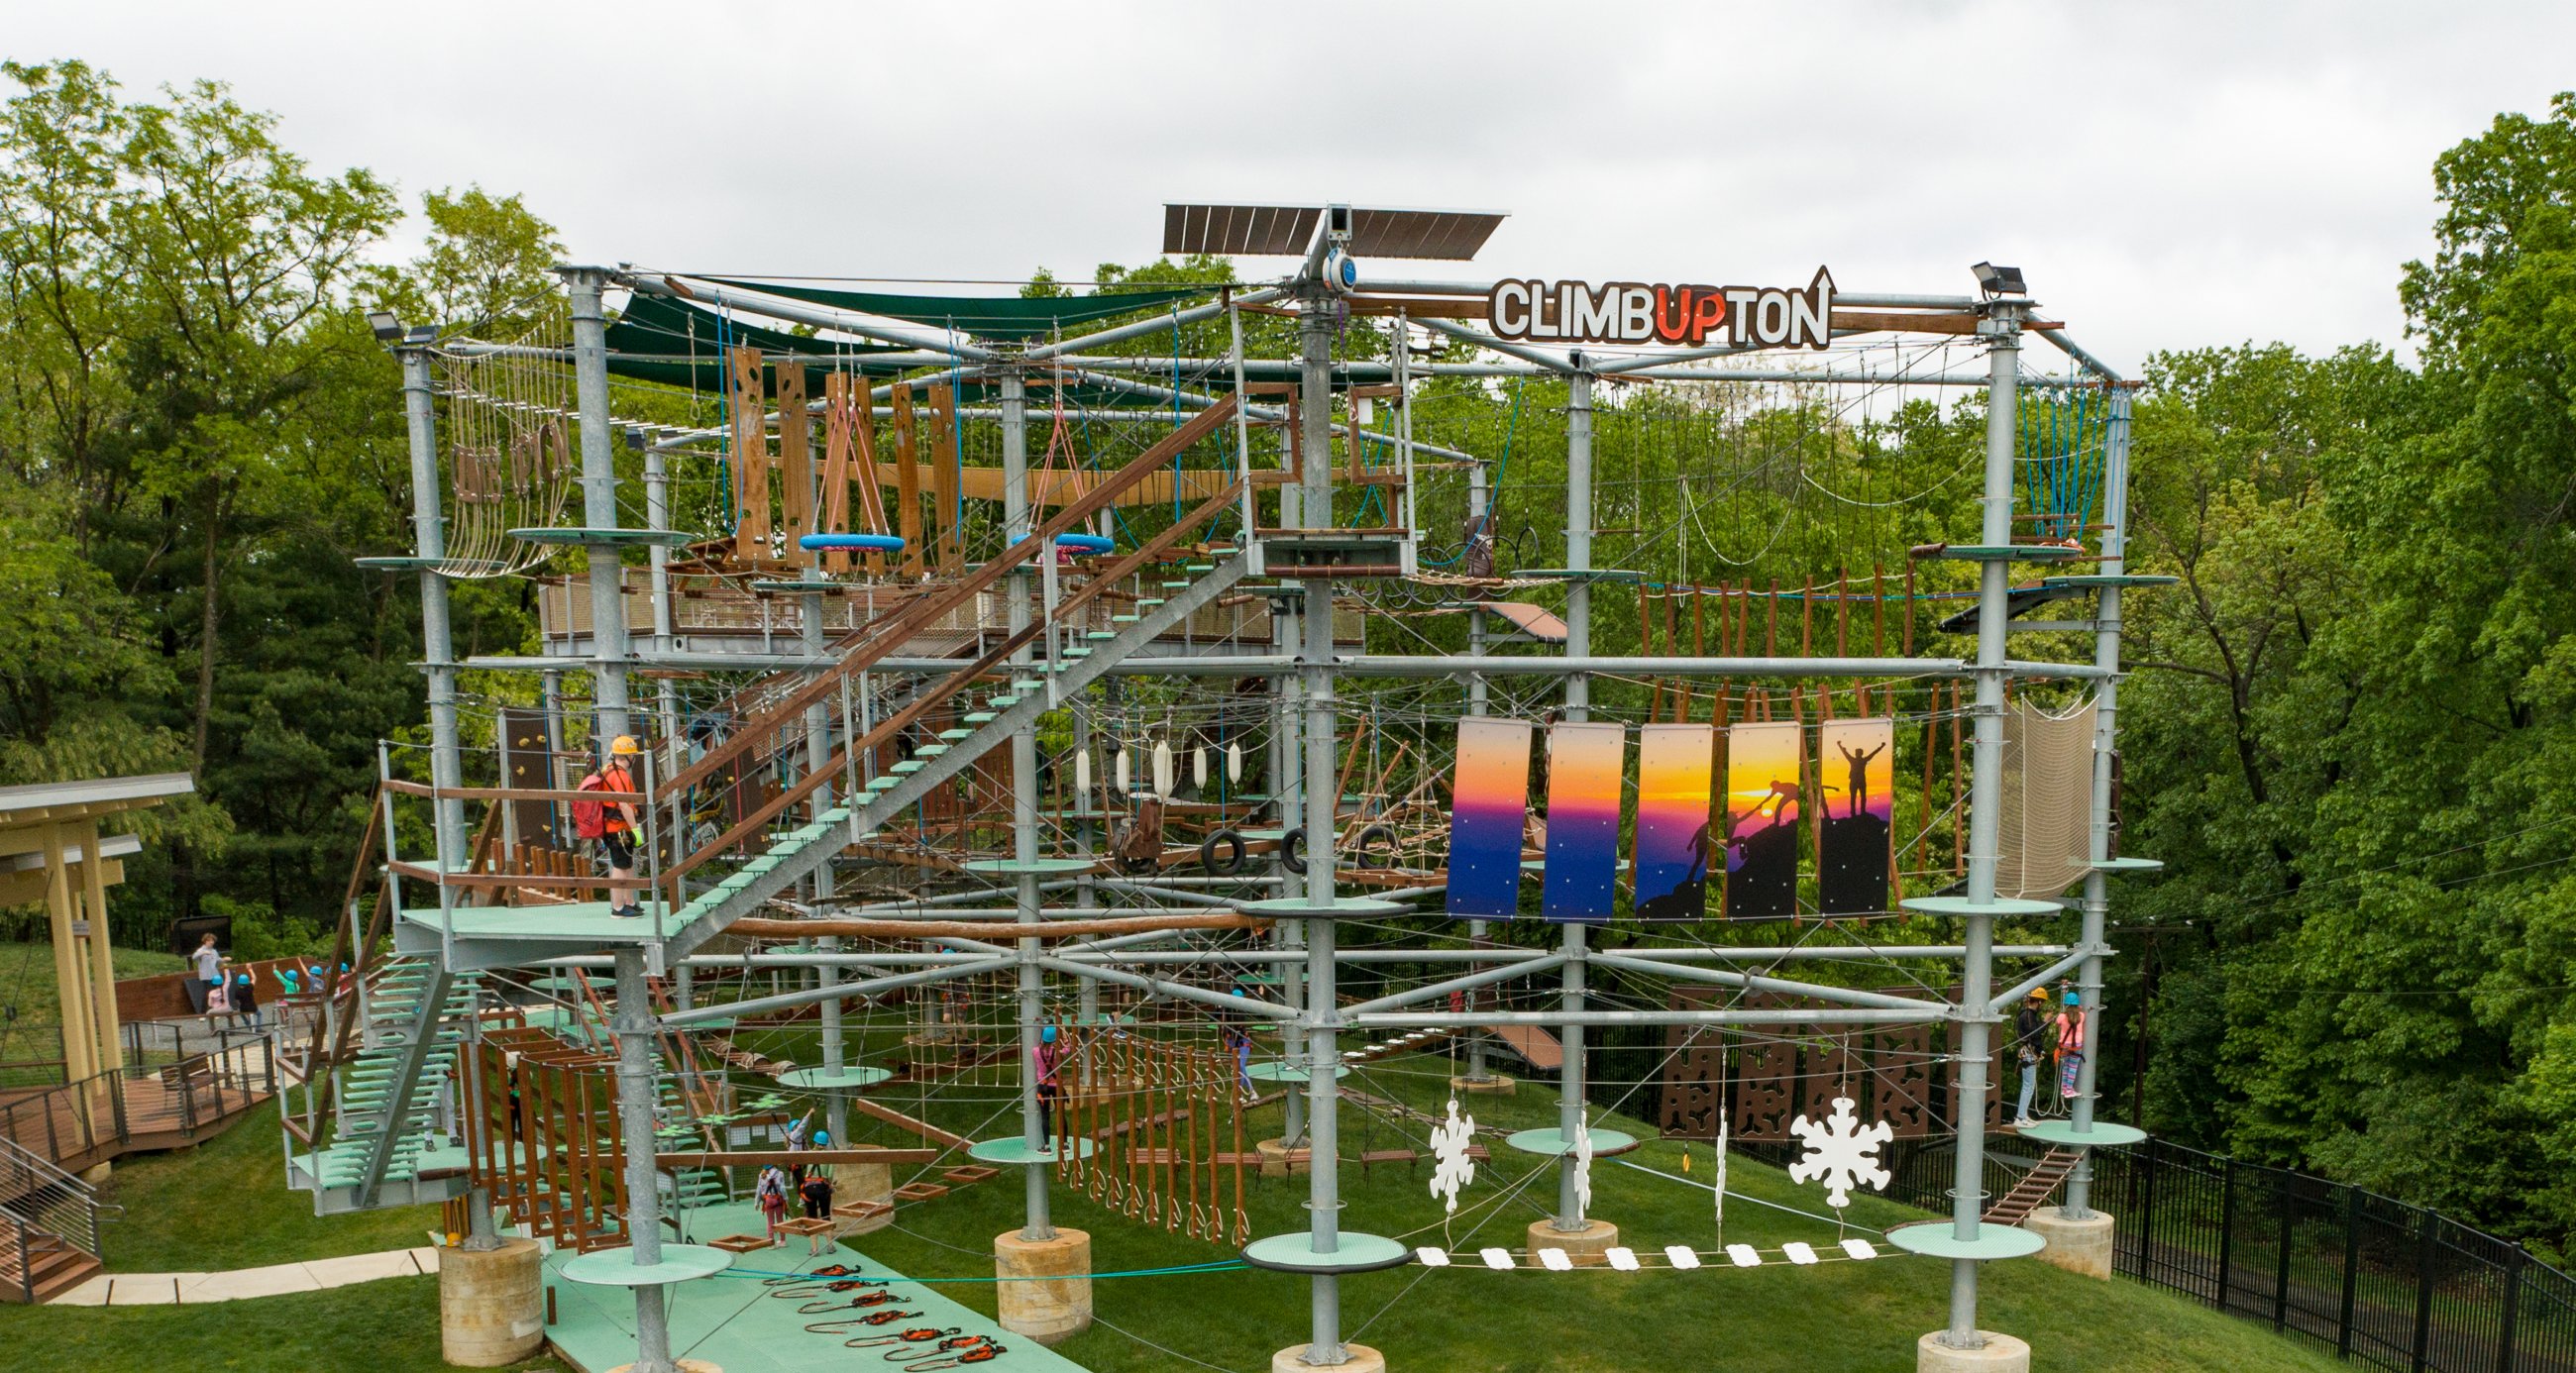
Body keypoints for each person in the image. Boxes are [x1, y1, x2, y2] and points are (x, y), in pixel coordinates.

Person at [580, 736, 645, 918]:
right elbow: (624, 805)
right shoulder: (619, 775)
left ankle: (629, 902)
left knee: (627, 864)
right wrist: (635, 830)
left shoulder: (608, 770)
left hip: (615, 827)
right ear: (629, 756)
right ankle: (618, 907)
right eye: (633, 755)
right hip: (618, 828)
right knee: (620, 867)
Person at [2012, 988, 2050, 1127]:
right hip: (2028, 1053)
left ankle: (2023, 1115)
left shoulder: (2028, 1015)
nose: (2042, 1005)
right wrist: (2046, 1021)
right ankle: (2020, 1118)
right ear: (2038, 1001)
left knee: (2028, 1086)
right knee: (2028, 1086)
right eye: (2042, 1002)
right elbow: (2034, 1034)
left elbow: (2035, 1034)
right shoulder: (2028, 1015)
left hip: (2029, 1053)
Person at [1031, 1024, 1064, 1139]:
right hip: (1056, 1086)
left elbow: (1040, 1047)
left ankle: (1046, 1145)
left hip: (1042, 1086)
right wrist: (1064, 1037)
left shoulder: (1035, 1051)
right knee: (1061, 1115)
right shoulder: (1058, 1052)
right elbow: (1068, 1048)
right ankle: (1064, 1143)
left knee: (1045, 1117)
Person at [799, 1165, 836, 1257]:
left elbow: (807, 1173)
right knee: (826, 1216)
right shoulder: (828, 1159)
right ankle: (830, 1246)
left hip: (809, 1189)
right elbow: (829, 1175)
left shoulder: (810, 1157)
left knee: (812, 1218)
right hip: (822, 1188)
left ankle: (814, 1249)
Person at [187, 932, 223, 1016]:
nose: (211, 942)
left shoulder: (214, 951)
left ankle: (215, 1010)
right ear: (205, 941)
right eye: (209, 940)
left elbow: (217, 961)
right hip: (206, 976)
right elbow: (194, 957)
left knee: (217, 993)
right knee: (207, 994)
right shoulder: (201, 950)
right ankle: (203, 1013)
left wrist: (223, 959)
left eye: (212, 941)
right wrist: (203, 953)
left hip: (215, 975)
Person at [756, 1164, 790, 1246]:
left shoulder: (762, 1175)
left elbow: (759, 1189)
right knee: (780, 1220)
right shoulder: (780, 1173)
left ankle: (771, 1243)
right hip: (778, 1199)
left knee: (770, 1221)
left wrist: (757, 1202)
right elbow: (782, 1188)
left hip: (768, 1200)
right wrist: (786, 1199)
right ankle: (783, 1241)